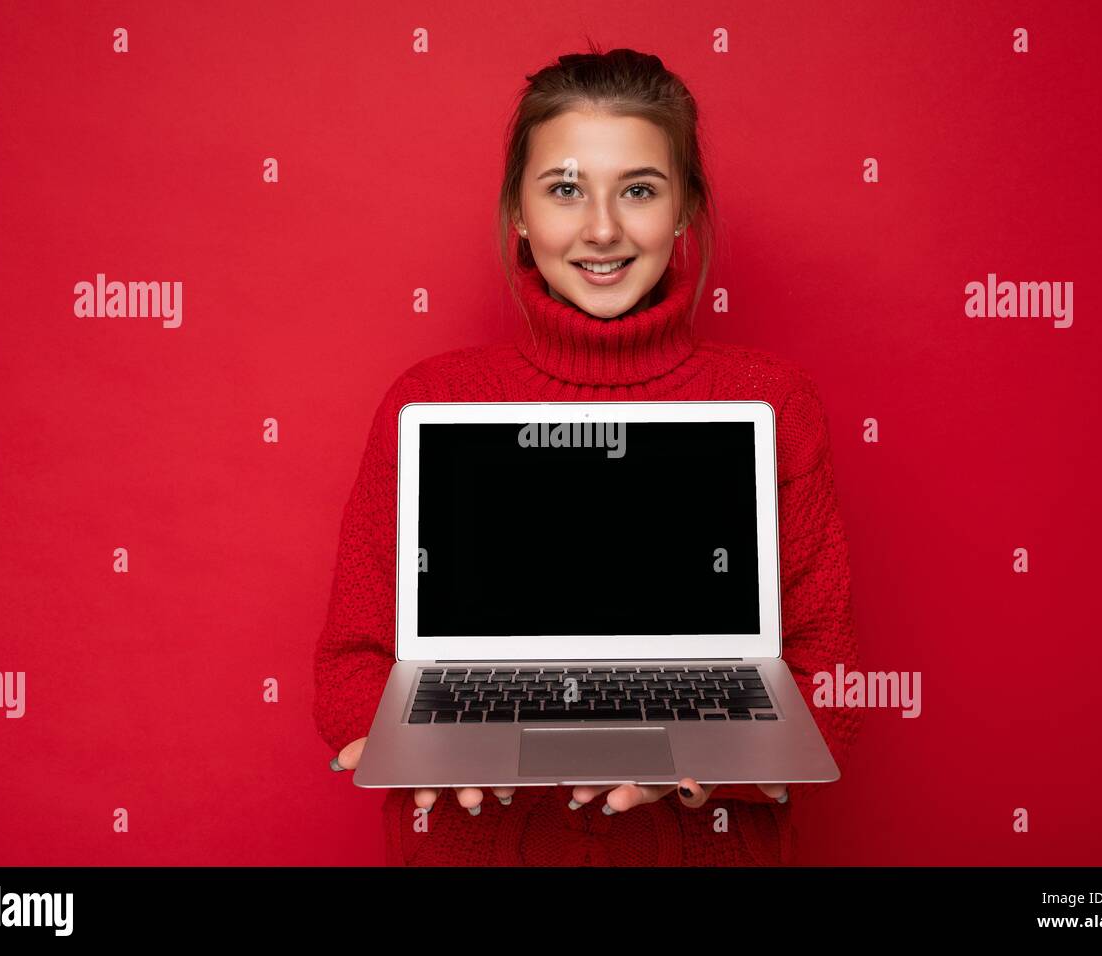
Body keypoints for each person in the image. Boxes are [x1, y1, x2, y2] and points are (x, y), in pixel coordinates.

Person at [315, 45, 861, 866]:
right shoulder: (432, 400)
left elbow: (830, 687)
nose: (602, 228)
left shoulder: (773, 400)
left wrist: (709, 765)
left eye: (638, 190)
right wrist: (402, 738)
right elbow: (352, 662)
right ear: (520, 215)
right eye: (566, 189)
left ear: (683, 212)